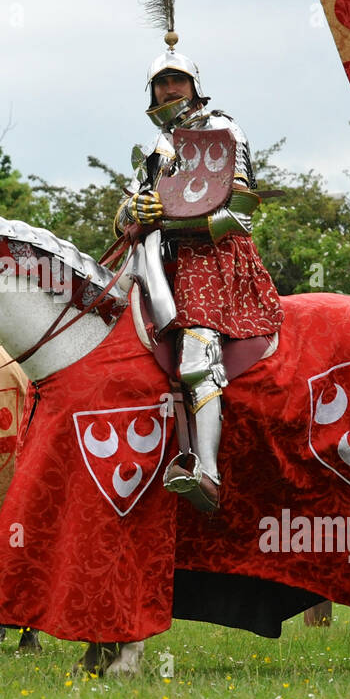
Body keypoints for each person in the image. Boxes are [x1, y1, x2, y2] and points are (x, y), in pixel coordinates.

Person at [116, 47, 284, 512]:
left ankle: (207, 473)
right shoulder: (154, 149)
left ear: (194, 85)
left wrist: (167, 219)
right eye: (161, 83)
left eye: (178, 81)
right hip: (155, 264)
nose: (170, 90)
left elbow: (243, 211)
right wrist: (136, 209)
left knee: (197, 349)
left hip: (213, 259)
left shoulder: (220, 129)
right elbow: (123, 211)